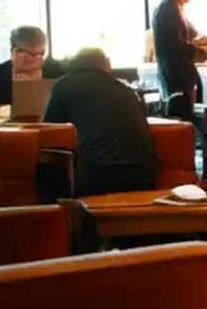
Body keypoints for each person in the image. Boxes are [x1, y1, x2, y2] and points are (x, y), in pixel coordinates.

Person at [43, 48, 157, 198]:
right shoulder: (126, 90)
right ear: (106, 65)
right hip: (143, 179)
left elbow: (49, 133)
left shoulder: (64, 86)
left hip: (97, 181)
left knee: (47, 164)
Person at [0, 26, 65, 115]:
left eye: (40, 54)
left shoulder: (56, 73)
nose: (34, 60)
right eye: (29, 55)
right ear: (13, 51)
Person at [152, 0, 203, 122]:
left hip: (172, 70)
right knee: (181, 113)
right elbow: (173, 43)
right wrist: (196, 50)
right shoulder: (169, 10)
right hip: (176, 72)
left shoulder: (169, 8)